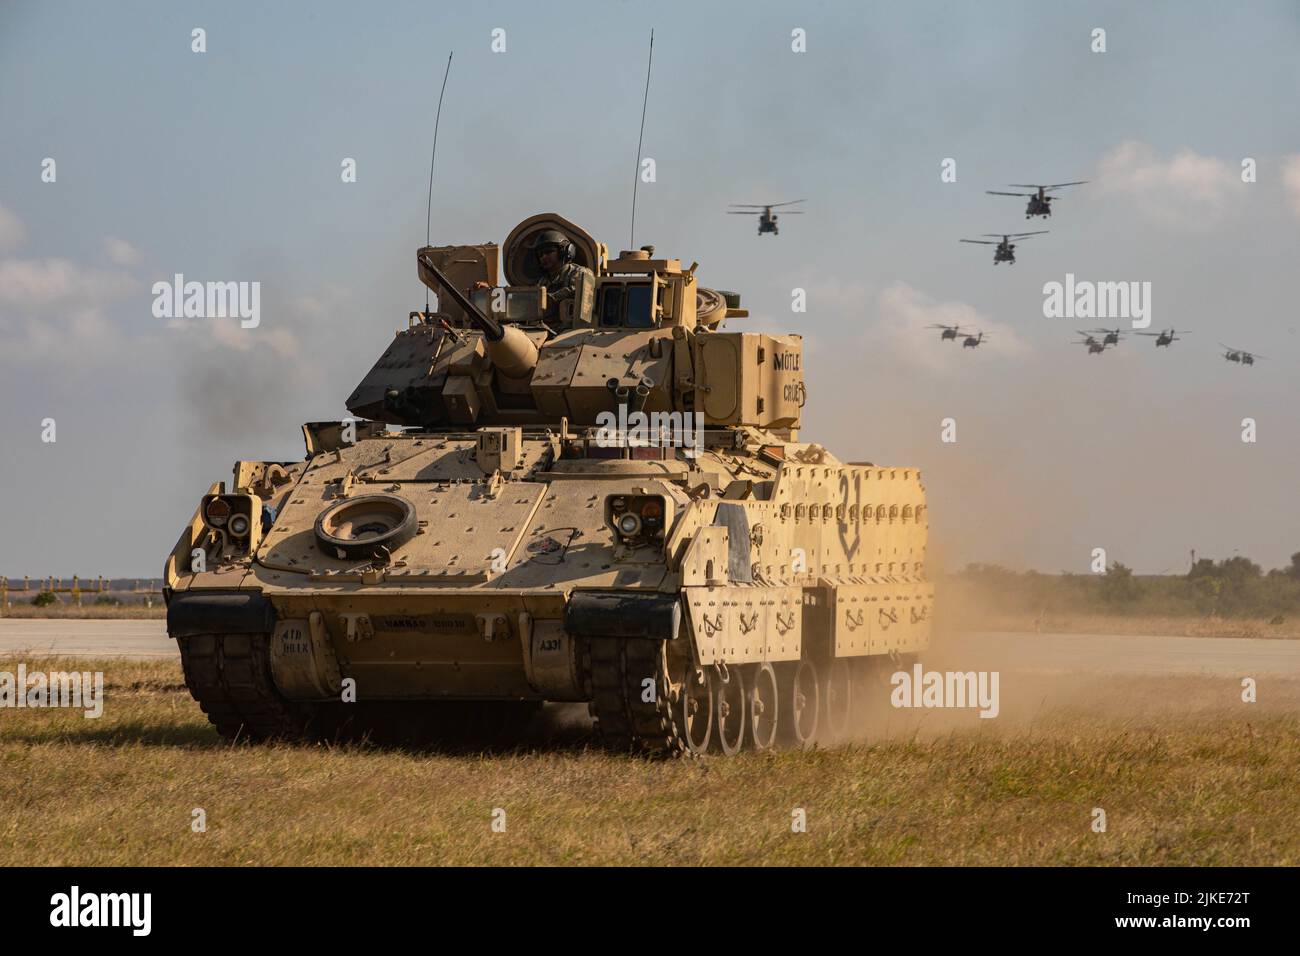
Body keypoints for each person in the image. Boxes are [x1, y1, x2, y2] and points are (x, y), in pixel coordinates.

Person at [529, 229, 592, 324]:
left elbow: (575, 290)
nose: (544, 257)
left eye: (549, 252)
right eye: (540, 255)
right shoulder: (543, 282)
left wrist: (550, 298)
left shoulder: (580, 273)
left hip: (572, 328)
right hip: (548, 328)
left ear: (564, 252)